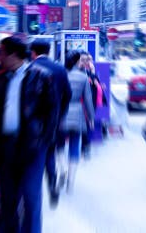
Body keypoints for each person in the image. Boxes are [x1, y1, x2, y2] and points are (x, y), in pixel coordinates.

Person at [0, 37, 60, 233]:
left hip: (32, 147)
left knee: (30, 198)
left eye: (2, 53)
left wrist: (44, 141)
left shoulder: (41, 76)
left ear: (13, 55)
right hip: (6, 147)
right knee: (8, 198)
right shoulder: (1, 77)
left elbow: (52, 113)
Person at [29, 40, 70, 208]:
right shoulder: (60, 69)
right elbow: (67, 93)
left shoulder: (31, 68)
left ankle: (33, 192)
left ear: (33, 52)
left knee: (35, 157)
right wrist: (61, 114)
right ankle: (52, 185)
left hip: (35, 122)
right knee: (50, 154)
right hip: (54, 120)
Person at [58, 51, 94, 193]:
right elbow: (88, 100)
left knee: (59, 143)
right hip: (78, 114)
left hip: (62, 113)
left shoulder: (61, 75)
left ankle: (63, 168)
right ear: (76, 62)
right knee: (75, 145)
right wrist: (91, 118)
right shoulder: (83, 77)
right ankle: (71, 182)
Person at [79, 53, 106, 159]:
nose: (86, 62)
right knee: (82, 125)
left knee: (87, 125)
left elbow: (98, 88)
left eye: (88, 60)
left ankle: (85, 146)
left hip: (90, 103)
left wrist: (98, 84)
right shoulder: (76, 73)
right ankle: (82, 146)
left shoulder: (91, 74)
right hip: (79, 103)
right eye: (83, 60)